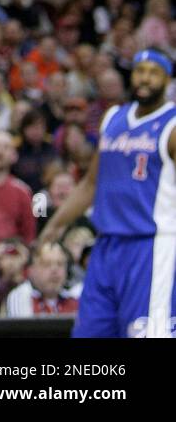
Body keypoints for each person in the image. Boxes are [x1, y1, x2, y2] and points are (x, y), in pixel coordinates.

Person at [41, 49, 176, 338]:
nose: (145, 78)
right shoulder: (113, 118)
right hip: (106, 246)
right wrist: (55, 224)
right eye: (140, 71)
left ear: (168, 79)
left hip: (151, 247)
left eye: (154, 72)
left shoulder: (172, 126)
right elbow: (91, 184)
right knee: (90, 333)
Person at [2, 240, 80, 317]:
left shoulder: (76, 295)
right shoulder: (20, 296)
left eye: (60, 264)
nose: (54, 270)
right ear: (31, 270)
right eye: (46, 264)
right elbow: (22, 329)